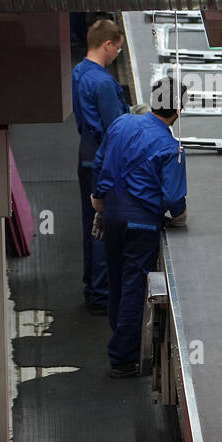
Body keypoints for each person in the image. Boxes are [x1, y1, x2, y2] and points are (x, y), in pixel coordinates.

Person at [90, 73, 189, 378]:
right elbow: (173, 198)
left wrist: (99, 198)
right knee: (135, 286)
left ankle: (119, 331)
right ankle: (122, 357)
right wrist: (179, 216)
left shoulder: (122, 123)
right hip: (141, 224)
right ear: (177, 110)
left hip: (112, 214)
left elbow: (100, 159)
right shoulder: (170, 147)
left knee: (117, 279)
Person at [72, 19, 130, 314]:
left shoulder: (78, 72)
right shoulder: (104, 83)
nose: (117, 55)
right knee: (101, 227)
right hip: (102, 163)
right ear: (107, 44)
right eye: (117, 50)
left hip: (85, 155)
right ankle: (100, 294)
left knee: (89, 225)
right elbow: (115, 129)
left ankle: (91, 283)